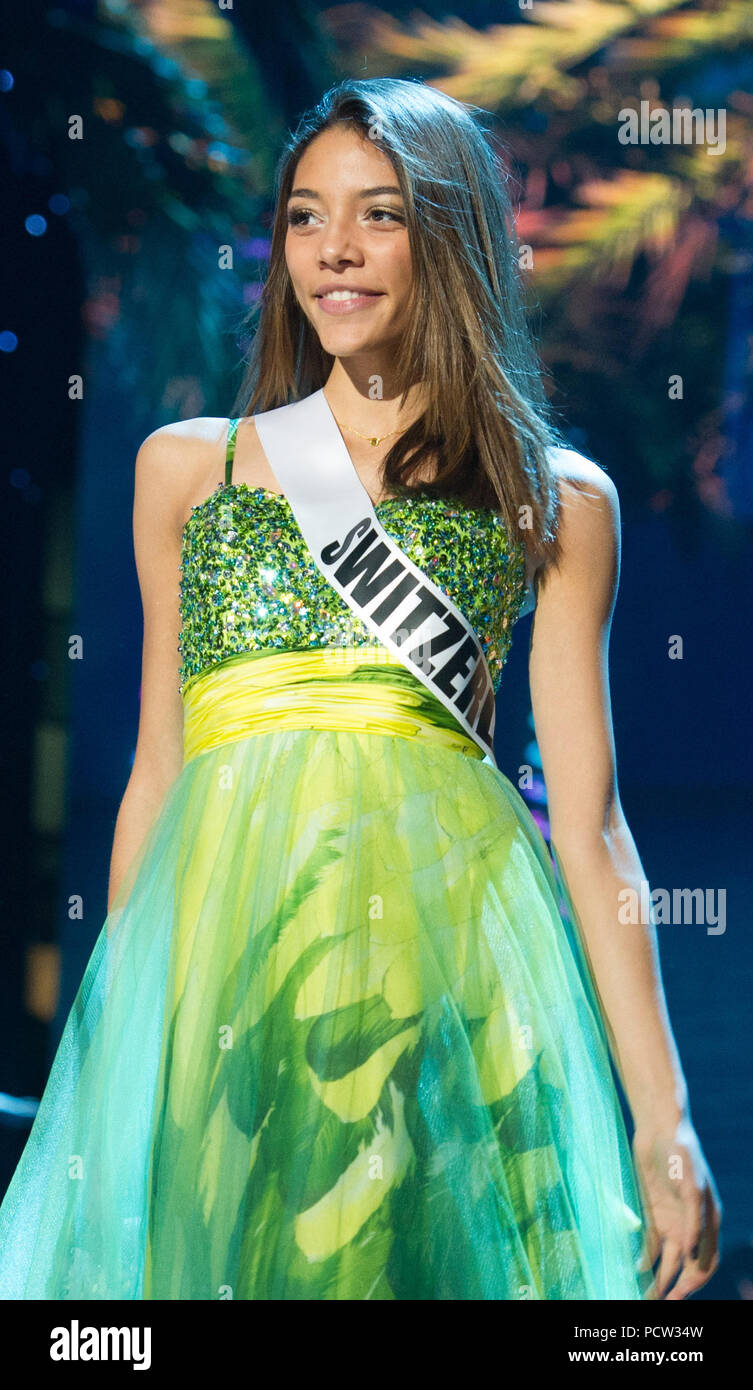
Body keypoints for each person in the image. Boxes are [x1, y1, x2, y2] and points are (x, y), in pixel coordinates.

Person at [0, 77, 720, 1301]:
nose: (334, 249)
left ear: (449, 234)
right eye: (303, 217)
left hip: (454, 979)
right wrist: (115, 1060)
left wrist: (665, 1117)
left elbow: (593, 830)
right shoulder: (191, 469)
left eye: (379, 214)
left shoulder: (557, 497)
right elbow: (160, 776)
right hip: (232, 977)